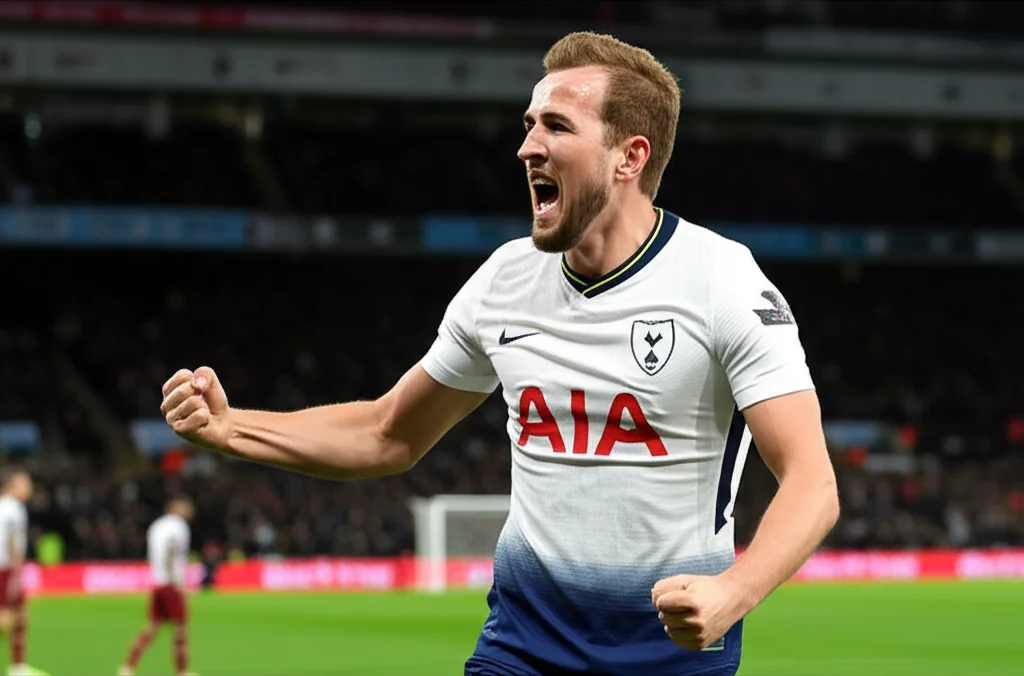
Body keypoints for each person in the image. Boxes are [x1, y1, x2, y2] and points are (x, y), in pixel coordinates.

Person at [160, 31, 839, 676]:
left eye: (558, 127)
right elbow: (389, 432)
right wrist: (231, 428)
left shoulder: (721, 280)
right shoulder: (505, 281)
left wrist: (733, 592)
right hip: (521, 651)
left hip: (671, 659)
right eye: (529, 124)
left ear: (629, 158)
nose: (528, 147)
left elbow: (812, 482)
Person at [119, 496, 197, 676]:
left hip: (157, 581)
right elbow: (171, 551)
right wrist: (175, 580)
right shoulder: (178, 526)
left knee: (152, 626)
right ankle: (182, 671)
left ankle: (128, 666)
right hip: (170, 583)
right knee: (180, 629)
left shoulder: (157, 525)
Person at [0, 468, 47, 676]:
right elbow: (14, 542)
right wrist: (17, 573)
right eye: (25, 484)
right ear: (13, 484)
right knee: (9, 619)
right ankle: (18, 667)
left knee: (21, 615)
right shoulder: (15, 508)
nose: (29, 488)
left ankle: (18, 666)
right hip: (5, 568)